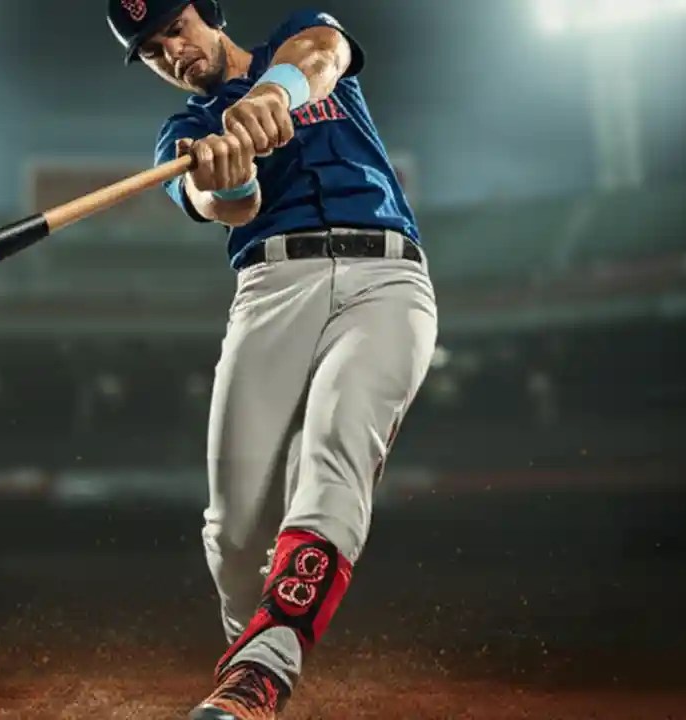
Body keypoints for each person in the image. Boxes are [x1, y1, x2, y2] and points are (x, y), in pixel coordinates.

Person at [107, 2, 439, 718]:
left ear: (209, 11)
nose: (173, 51)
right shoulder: (182, 133)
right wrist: (226, 179)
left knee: (333, 455)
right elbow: (215, 202)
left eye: (176, 26)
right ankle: (247, 667)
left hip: (386, 278)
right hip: (269, 289)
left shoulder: (297, 35)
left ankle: (263, 672)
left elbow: (322, 56)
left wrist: (271, 96)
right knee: (233, 533)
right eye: (153, 49)